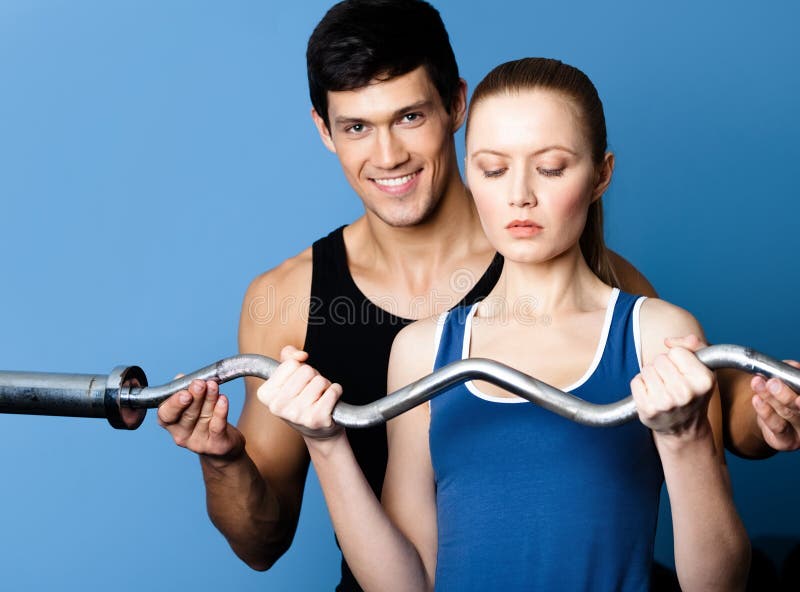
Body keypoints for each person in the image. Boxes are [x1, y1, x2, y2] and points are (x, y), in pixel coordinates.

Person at [155, 1, 798, 589]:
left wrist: (768, 412)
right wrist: (229, 457)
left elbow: (713, 402)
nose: (387, 155)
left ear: (453, 107)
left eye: (409, 116)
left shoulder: (595, 271)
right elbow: (266, 545)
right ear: (324, 129)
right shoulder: (303, 301)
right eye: (356, 127)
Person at [258, 56, 751, 591]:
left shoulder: (657, 335)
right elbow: (405, 585)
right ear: (470, 174)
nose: (520, 194)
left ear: (600, 175)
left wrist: (686, 439)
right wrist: (324, 443)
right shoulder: (421, 352)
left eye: (551, 168)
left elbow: (719, 585)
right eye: (493, 170)